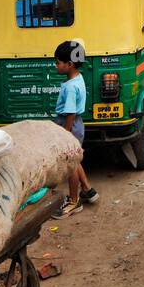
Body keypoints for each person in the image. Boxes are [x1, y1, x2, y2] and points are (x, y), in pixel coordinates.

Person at [52, 40, 97, 217]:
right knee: (75, 160)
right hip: (76, 124)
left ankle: (73, 201)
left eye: (58, 63)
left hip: (69, 125)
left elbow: (69, 112)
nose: (55, 66)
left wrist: (66, 135)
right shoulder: (78, 77)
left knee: (71, 164)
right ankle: (88, 190)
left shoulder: (70, 87)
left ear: (69, 64)